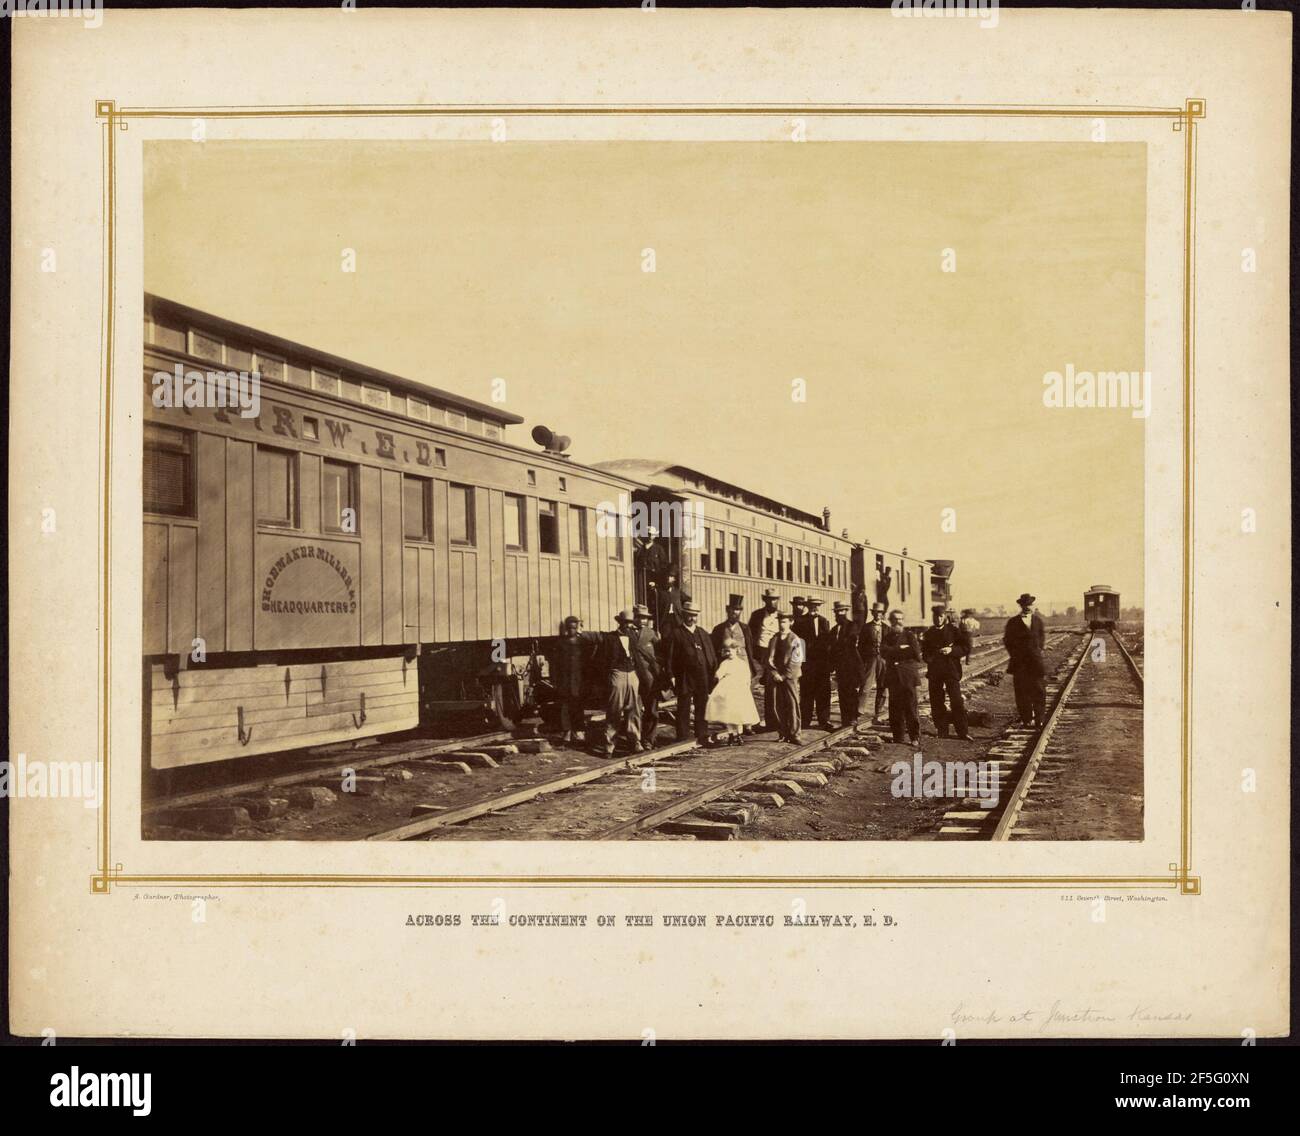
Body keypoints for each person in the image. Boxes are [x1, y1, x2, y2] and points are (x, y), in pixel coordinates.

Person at [666, 601, 719, 746]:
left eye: (694, 615)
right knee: (684, 705)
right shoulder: (676, 633)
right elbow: (669, 657)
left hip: (702, 676)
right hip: (684, 676)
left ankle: (702, 733)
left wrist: (713, 672)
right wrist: (671, 675)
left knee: (702, 704)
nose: (692, 618)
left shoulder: (702, 633)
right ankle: (682, 736)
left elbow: (711, 654)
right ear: (683, 615)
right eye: (689, 615)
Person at [593, 609, 645, 757]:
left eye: (630, 623)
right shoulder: (610, 638)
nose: (628, 626)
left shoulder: (633, 637)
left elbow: (638, 658)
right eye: (626, 623)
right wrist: (607, 678)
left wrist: (641, 677)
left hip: (632, 674)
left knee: (634, 710)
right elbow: (602, 661)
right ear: (620, 623)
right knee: (614, 710)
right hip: (618, 674)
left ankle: (635, 741)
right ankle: (609, 745)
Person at [711, 601, 763, 734]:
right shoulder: (719, 629)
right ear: (727, 610)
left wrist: (752, 666)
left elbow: (750, 646)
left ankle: (747, 725)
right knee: (729, 697)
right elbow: (714, 648)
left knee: (745, 696)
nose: (735, 613)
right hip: (728, 668)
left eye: (738, 610)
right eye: (733, 610)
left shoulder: (745, 628)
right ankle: (730, 725)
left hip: (743, 666)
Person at [922, 605, 971, 740]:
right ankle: (942, 730)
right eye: (935, 616)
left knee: (956, 700)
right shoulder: (929, 633)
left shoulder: (954, 631)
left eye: (941, 616)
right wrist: (932, 657)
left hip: (951, 670)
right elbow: (925, 653)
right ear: (932, 617)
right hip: (935, 671)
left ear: (945, 617)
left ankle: (962, 731)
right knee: (936, 701)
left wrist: (952, 650)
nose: (938, 619)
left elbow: (965, 647)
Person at [1003, 593, 1048, 727]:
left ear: (1033, 606)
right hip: (1020, 663)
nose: (1028, 607)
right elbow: (1007, 640)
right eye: (1025, 605)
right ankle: (1026, 719)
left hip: (1036, 662)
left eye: (1030, 604)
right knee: (1022, 692)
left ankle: (1039, 719)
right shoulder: (1013, 622)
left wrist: (1038, 650)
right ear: (1021, 606)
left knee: (1039, 690)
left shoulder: (1038, 621)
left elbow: (1041, 637)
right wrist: (1015, 654)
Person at [882, 609, 923, 746]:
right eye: (894, 619)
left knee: (911, 707)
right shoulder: (887, 637)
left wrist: (894, 651)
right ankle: (898, 736)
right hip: (893, 677)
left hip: (908, 677)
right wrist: (902, 649)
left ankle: (914, 737)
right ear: (890, 621)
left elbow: (916, 654)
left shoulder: (910, 635)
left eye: (900, 619)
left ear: (903, 621)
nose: (897, 622)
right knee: (895, 708)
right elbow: (883, 652)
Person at [706, 643, 761, 744]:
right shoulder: (725, 663)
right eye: (727, 651)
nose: (729, 652)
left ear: (737, 650)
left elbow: (747, 677)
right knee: (728, 713)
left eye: (732, 650)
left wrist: (745, 686)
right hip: (727, 689)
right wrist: (716, 677)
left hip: (739, 689)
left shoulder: (742, 663)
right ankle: (731, 733)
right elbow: (718, 674)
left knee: (738, 712)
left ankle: (738, 734)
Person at [552, 615, 593, 746]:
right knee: (565, 706)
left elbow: (588, 664)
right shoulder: (561, 644)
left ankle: (579, 731)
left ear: (578, 628)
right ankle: (567, 732)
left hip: (579, 681)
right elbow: (555, 664)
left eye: (574, 628)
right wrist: (555, 680)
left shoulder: (583, 643)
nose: (571, 631)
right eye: (569, 628)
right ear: (566, 628)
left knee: (578, 706)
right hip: (564, 681)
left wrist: (587, 681)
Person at [793, 596, 832, 729]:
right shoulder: (799, 622)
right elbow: (797, 643)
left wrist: (828, 661)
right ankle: (805, 720)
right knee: (806, 692)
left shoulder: (824, 621)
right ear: (807, 606)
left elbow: (828, 642)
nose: (814, 608)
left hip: (822, 663)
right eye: (811, 605)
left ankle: (824, 720)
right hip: (807, 662)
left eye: (816, 605)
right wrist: (799, 662)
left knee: (823, 692)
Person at [768, 611, 806, 743]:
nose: (781, 624)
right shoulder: (774, 638)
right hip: (776, 676)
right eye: (780, 621)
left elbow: (796, 661)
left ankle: (795, 734)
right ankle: (783, 732)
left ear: (791, 622)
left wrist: (784, 676)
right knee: (778, 705)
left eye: (784, 621)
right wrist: (774, 673)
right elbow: (768, 659)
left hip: (790, 677)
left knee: (792, 704)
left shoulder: (796, 639)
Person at [826, 601, 866, 726]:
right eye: (837, 612)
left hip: (851, 664)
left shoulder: (852, 626)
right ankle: (845, 718)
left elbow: (848, 642)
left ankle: (853, 717)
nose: (839, 614)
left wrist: (837, 648)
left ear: (845, 612)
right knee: (842, 692)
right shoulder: (834, 630)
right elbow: (831, 648)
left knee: (851, 691)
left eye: (841, 611)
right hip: (840, 665)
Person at [747, 589, 782, 729]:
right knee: (750, 686)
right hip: (760, 654)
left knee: (772, 688)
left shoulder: (782, 616)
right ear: (765, 600)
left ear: (777, 600)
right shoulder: (757, 615)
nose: (772, 602)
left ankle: (772, 721)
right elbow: (750, 635)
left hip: (775, 655)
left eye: (774, 599)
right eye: (769, 599)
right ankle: (751, 721)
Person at [632, 603, 665, 746]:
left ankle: (649, 739)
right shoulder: (628, 633)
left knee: (652, 710)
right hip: (633, 676)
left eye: (644, 618)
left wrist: (657, 668)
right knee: (634, 710)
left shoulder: (652, 634)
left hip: (650, 678)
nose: (641, 620)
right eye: (639, 617)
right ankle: (635, 740)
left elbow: (661, 654)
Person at [858, 601, 888, 724]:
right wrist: (864, 660)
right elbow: (861, 646)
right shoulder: (866, 627)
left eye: (880, 613)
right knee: (866, 686)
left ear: (882, 614)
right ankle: (859, 710)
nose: (878, 615)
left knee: (883, 686)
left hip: (883, 659)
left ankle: (879, 711)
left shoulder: (887, 628)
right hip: (870, 660)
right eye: (876, 613)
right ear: (872, 613)